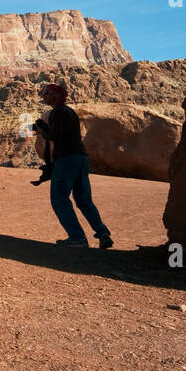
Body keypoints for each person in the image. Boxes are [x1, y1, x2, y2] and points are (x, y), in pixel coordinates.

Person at [36, 83, 114, 248]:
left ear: (56, 96)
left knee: (59, 199)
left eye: (48, 93)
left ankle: (77, 237)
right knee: (84, 200)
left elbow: (54, 136)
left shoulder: (58, 112)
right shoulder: (70, 112)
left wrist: (43, 129)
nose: (45, 96)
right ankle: (102, 233)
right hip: (80, 159)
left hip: (66, 160)